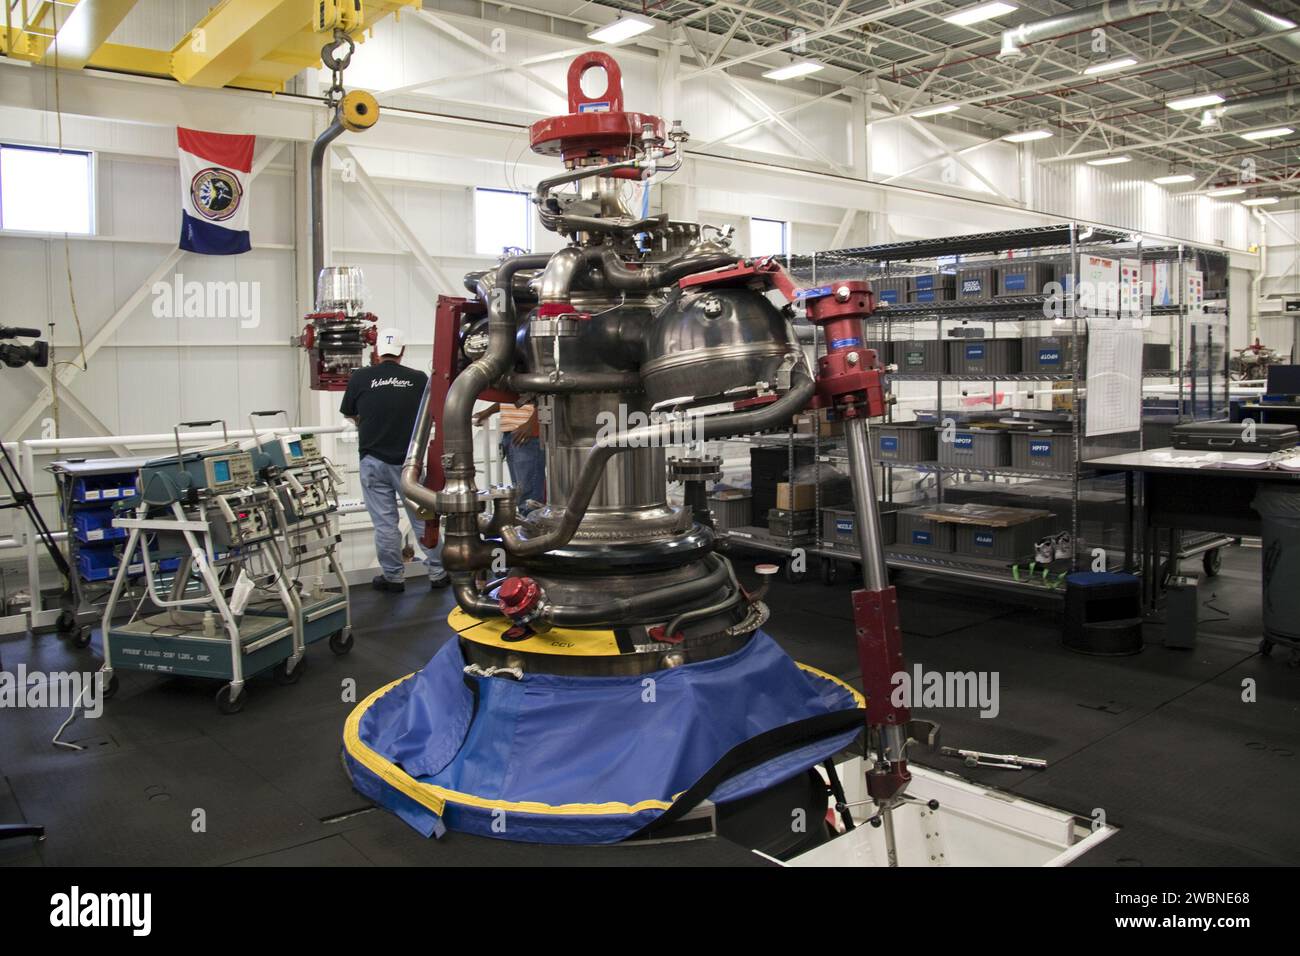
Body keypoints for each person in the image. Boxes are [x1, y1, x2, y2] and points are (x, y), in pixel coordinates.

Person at [340, 328, 449, 592]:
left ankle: (393, 577)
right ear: (402, 352)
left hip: (373, 460)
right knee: (423, 518)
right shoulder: (418, 378)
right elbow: (432, 413)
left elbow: (350, 413)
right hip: (409, 464)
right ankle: (438, 573)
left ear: (376, 351)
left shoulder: (360, 377)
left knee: (384, 523)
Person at [473, 401, 545, 515]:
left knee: (528, 494)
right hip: (512, 434)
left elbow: (543, 396)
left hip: (526, 435)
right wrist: (488, 411)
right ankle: (526, 526)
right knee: (521, 491)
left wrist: (532, 424)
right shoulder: (514, 386)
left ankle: (532, 528)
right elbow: (509, 398)